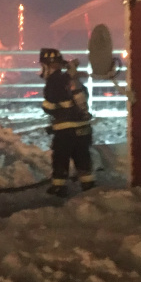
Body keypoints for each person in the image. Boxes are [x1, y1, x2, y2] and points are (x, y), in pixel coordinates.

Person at [39, 48, 95, 197]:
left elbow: (49, 106)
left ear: (47, 65)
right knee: (82, 155)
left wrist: (47, 107)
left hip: (65, 130)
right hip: (83, 127)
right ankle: (88, 184)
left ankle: (58, 187)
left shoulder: (53, 81)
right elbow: (83, 97)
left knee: (60, 157)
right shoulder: (71, 80)